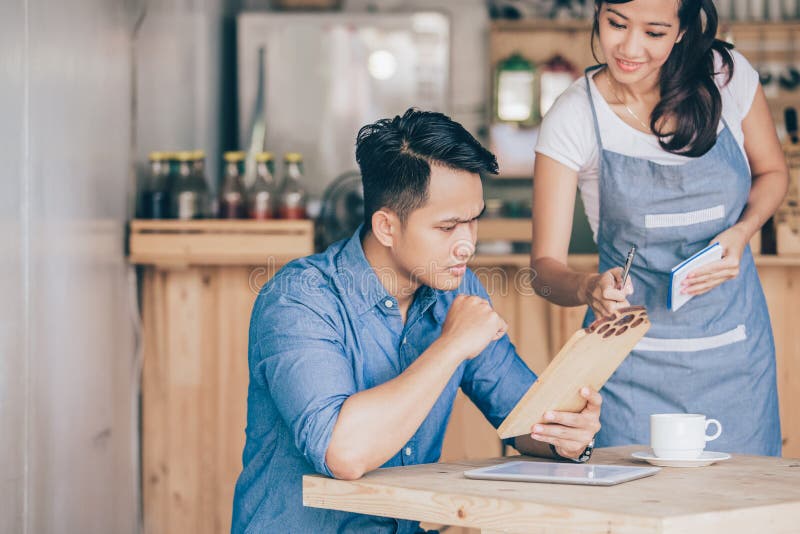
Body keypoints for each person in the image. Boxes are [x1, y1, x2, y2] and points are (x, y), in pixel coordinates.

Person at [231, 109, 602, 533]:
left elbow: (524, 420)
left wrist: (566, 437)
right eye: (447, 227)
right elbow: (345, 453)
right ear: (387, 226)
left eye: (474, 220)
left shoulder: (458, 292)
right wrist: (451, 346)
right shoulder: (299, 299)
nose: (467, 245)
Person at [531, 0, 788, 456]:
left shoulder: (725, 77)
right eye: (616, 24)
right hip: (626, 367)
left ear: (683, 30)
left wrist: (742, 231)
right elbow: (543, 272)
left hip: (734, 355)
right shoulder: (574, 115)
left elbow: (773, 173)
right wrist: (589, 286)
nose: (630, 47)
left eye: (654, 32)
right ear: (598, 13)